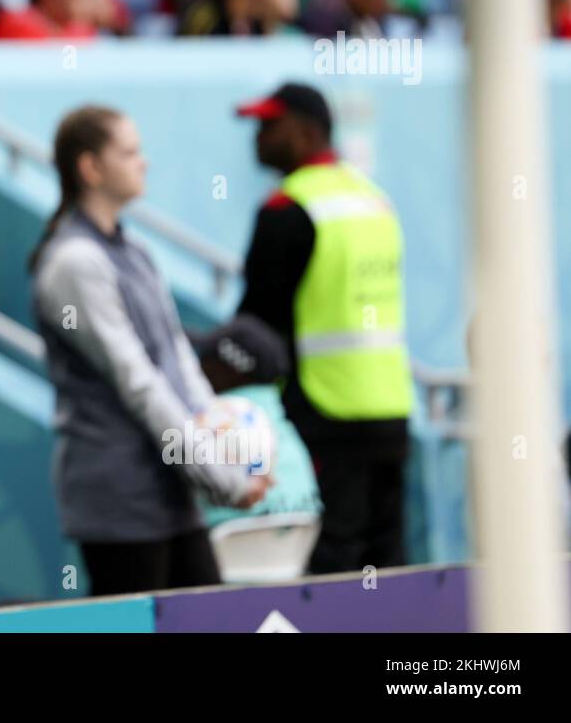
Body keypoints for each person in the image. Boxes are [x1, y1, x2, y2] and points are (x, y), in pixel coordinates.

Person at [30, 105, 269, 596]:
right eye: (130, 152)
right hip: (120, 503)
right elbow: (137, 380)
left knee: (208, 618)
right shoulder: (75, 262)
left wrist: (222, 444)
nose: (145, 163)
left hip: (172, 492)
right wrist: (224, 479)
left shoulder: (135, 251)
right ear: (90, 168)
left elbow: (177, 357)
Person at [233, 82, 413, 575]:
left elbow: (256, 328)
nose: (259, 137)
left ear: (308, 132)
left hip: (324, 410)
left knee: (334, 566)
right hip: (391, 406)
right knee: (389, 561)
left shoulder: (288, 209)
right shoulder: (374, 200)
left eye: (271, 126)